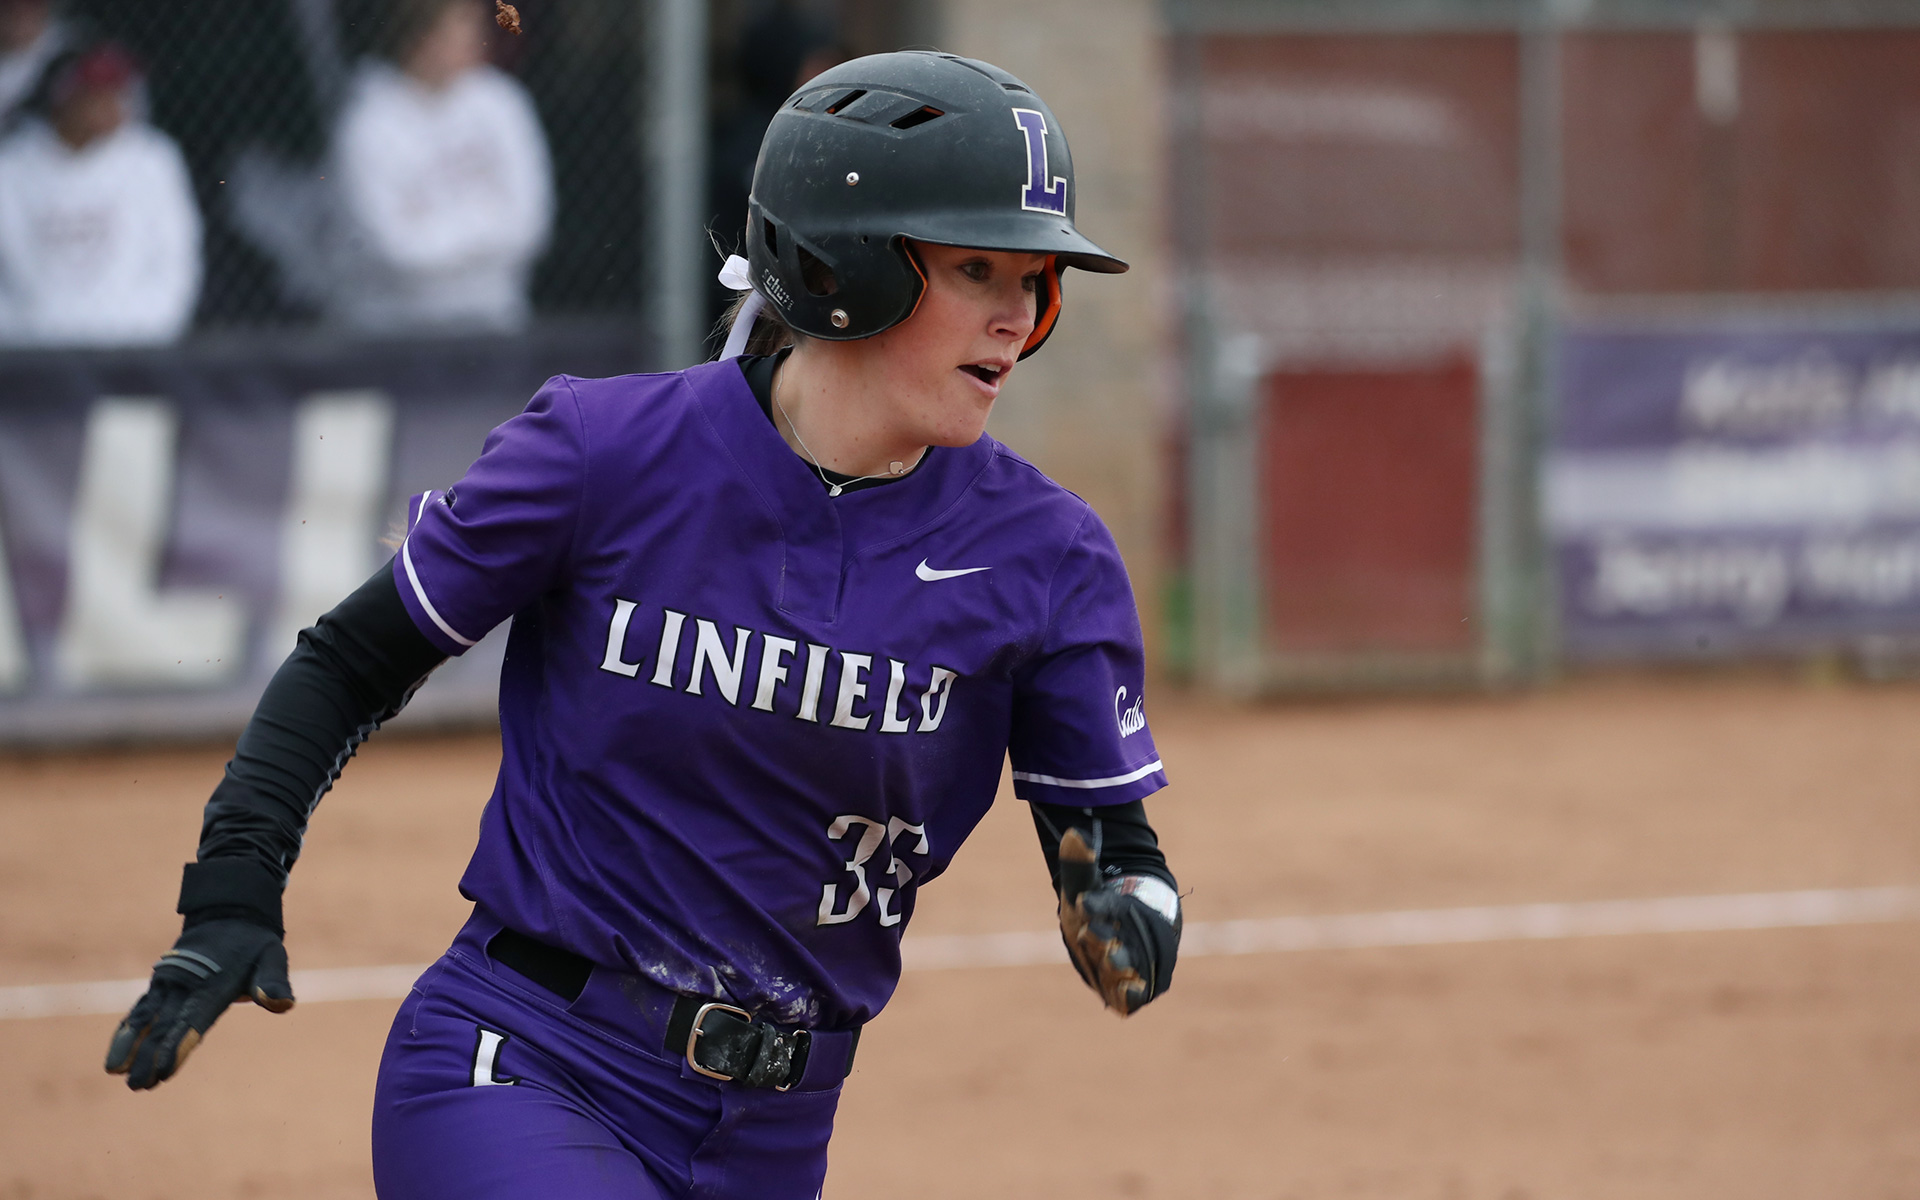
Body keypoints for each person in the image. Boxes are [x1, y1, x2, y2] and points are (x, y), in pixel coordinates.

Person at [105, 52, 1180, 1200]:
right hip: (525, 1062)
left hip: (773, 1138)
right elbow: (349, 662)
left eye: (1038, 280)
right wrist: (233, 889)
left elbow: (1119, 855)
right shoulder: (606, 453)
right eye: (978, 269)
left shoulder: (1046, 557)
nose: (1019, 317)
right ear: (842, 266)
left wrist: (1131, 915)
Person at [327, 0, 551, 331]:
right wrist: (484, 222)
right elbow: (395, 250)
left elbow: (530, 225)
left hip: (494, 321)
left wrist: (432, 226)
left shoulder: (501, 103)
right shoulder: (367, 123)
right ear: (419, 35)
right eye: (460, 28)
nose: (478, 38)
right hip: (393, 331)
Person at [0, 42, 200, 345]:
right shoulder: (11, 167)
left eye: (119, 92)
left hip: (131, 347)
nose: (114, 103)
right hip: (28, 350)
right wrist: (23, 334)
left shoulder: (152, 160)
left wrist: (143, 334)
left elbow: (176, 265)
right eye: (97, 93)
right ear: (62, 96)